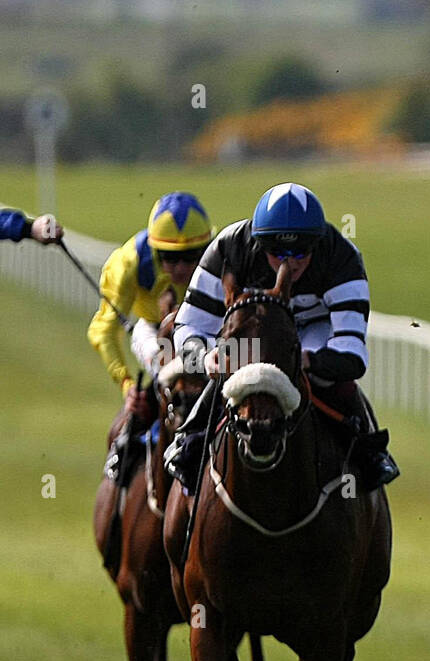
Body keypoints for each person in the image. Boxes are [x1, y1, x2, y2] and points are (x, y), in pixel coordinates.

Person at [166, 181, 398, 491]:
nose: (290, 262)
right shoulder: (228, 249)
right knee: (226, 376)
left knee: (330, 381)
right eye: (277, 251)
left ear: (317, 243)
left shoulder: (341, 256)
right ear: (260, 244)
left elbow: (352, 354)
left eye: (301, 250)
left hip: (314, 331)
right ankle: (189, 443)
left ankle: (369, 451)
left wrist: (304, 359)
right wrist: (208, 355)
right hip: (256, 329)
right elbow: (188, 327)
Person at [89, 192, 214, 482]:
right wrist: (127, 384)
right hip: (153, 327)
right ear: (155, 251)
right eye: (169, 258)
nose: (180, 268)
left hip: (205, 330)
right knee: (165, 366)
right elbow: (103, 331)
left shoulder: (222, 256)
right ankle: (124, 456)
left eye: (191, 256)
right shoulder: (129, 263)